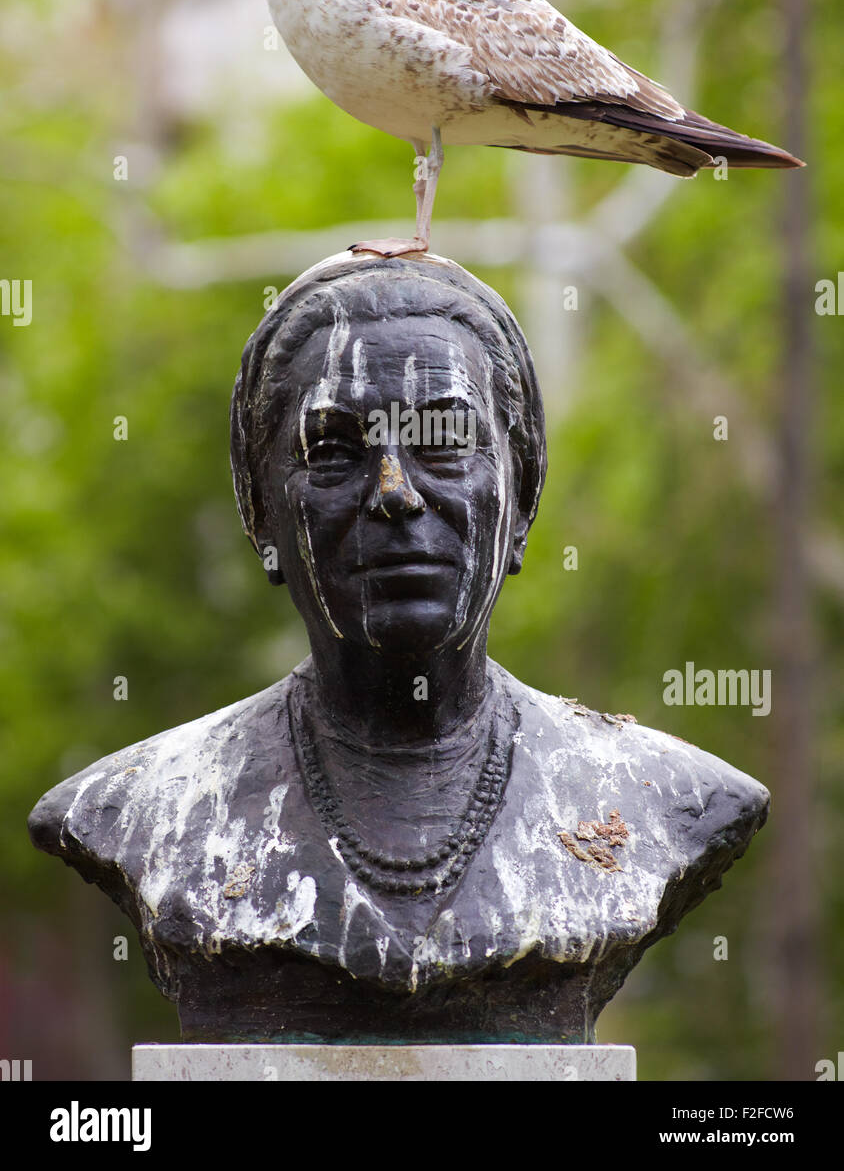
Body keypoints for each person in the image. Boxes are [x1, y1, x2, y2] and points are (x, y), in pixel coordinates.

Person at [29, 253, 769, 1042]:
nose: (394, 491)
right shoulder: (143, 810)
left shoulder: (666, 802)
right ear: (261, 514)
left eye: (444, 439)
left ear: (521, 499)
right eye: (334, 449)